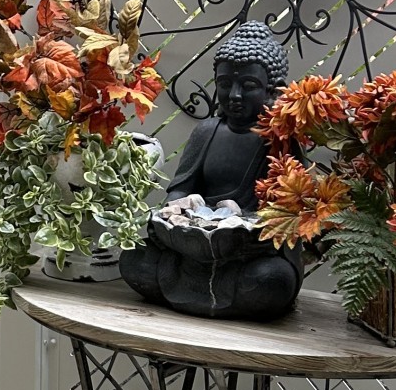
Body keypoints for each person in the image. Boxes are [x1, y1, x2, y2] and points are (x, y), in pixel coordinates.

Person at [119, 21, 303, 320]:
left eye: (249, 86)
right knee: (133, 259)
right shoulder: (207, 131)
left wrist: (241, 216)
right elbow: (180, 187)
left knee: (274, 279)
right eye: (225, 83)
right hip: (192, 246)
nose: (235, 95)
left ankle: (209, 297)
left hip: (246, 253)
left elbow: (289, 213)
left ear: (273, 90)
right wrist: (178, 206)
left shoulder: (279, 140)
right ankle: (201, 294)